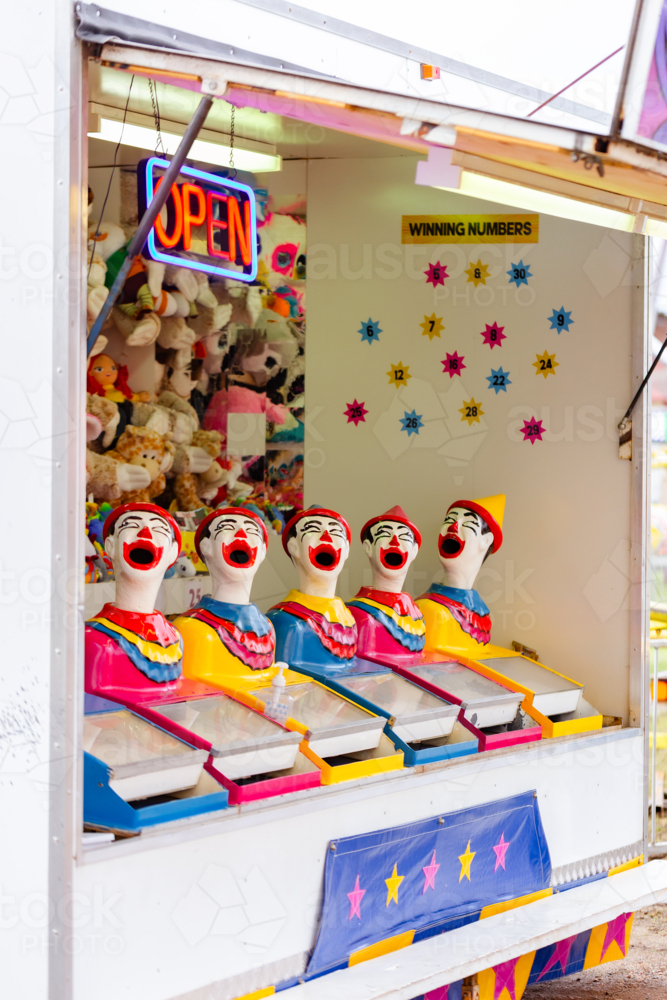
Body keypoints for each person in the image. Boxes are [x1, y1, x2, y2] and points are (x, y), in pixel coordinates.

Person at [174, 507, 279, 691]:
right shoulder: (192, 628)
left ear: (262, 552)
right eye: (227, 528)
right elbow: (189, 704)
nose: (240, 534)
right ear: (206, 546)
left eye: (252, 531)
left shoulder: (267, 627)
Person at [85, 503, 183, 697]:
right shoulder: (93, 637)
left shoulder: (175, 639)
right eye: (130, 526)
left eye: (159, 529)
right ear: (110, 546)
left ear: (173, 553)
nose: (145, 532)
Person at [267, 506, 357, 672]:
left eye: (336, 532)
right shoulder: (285, 619)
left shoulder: (349, 619)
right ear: (293, 547)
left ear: (346, 551)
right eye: (313, 530)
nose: (326, 536)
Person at [417, 495, 505, 654]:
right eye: (449, 520)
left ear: (486, 540)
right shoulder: (427, 608)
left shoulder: (482, 614)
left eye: (469, 523)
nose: (454, 526)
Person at [347, 505, 425, 660]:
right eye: (384, 534)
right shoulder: (357, 612)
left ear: (414, 551)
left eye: (404, 537)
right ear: (368, 547)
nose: (395, 541)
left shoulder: (417, 616)